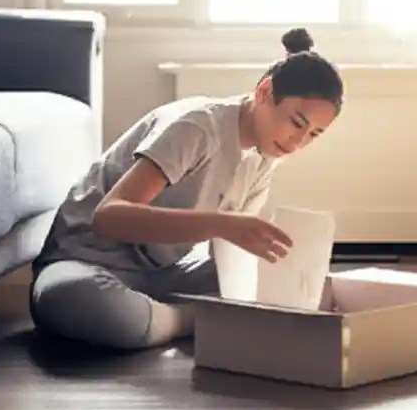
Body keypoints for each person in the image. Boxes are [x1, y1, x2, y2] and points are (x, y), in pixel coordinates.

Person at [30, 27, 344, 350]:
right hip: (87, 262)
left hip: (162, 274)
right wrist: (225, 225)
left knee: (302, 287)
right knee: (73, 300)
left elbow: (228, 255)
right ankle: (192, 319)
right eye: (297, 123)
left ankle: (165, 319)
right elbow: (109, 217)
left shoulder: (266, 154)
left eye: (314, 135)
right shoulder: (197, 127)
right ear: (265, 92)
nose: (298, 142)